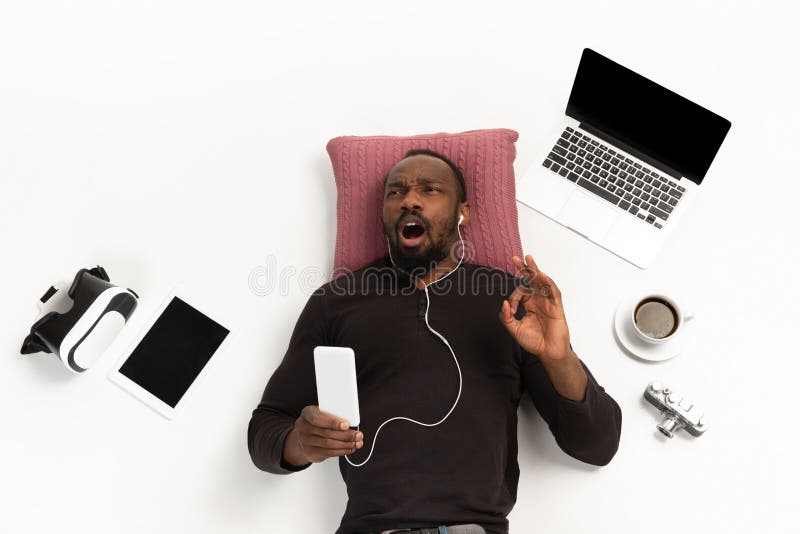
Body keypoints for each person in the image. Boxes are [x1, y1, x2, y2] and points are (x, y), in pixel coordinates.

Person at [248, 149, 622, 534]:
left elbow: (599, 445)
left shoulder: (510, 300)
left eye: (430, 189)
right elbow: (263, 432)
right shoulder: (337, 301)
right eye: (395, 192)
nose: (409, 200)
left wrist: (559, 357)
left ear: (463, 213)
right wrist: (301, 442)